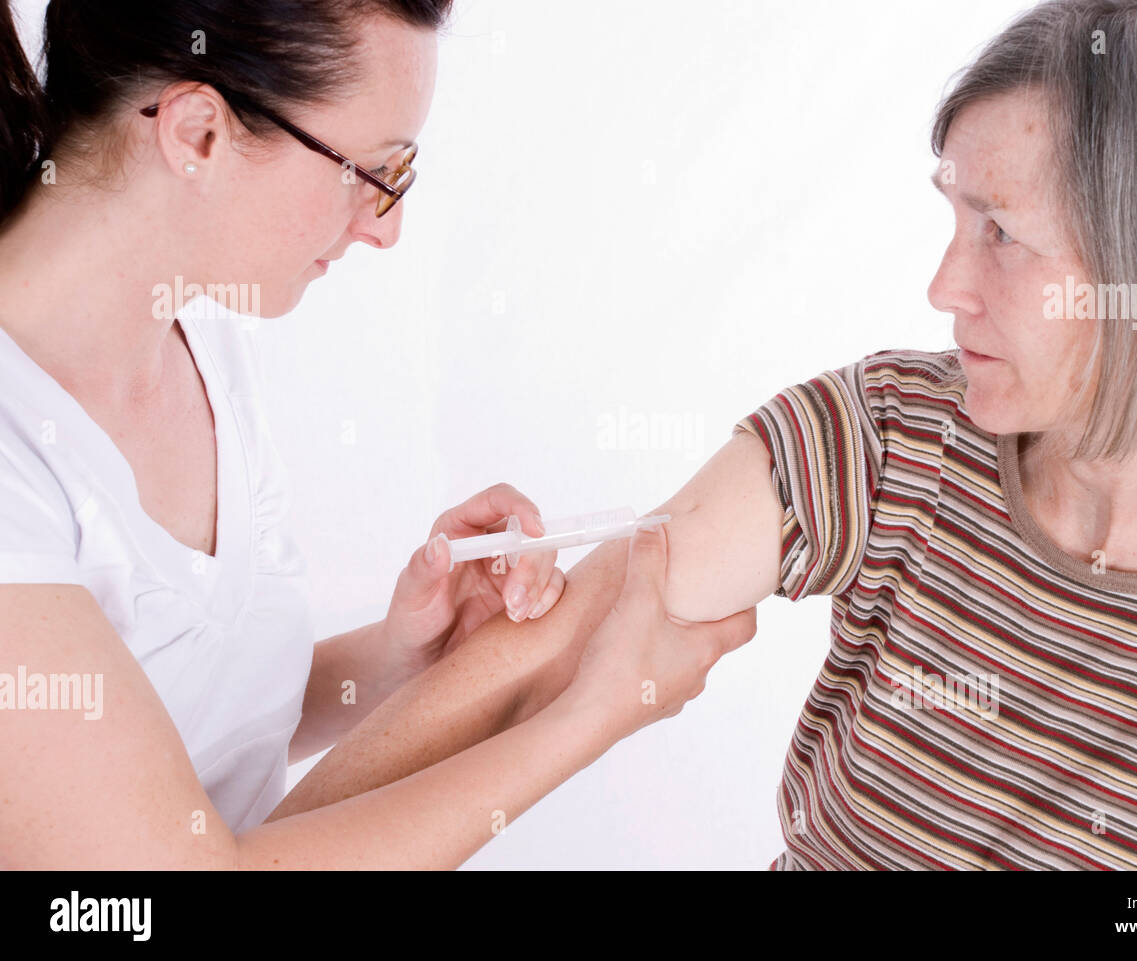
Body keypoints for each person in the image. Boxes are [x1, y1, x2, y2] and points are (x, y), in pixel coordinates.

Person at [275, 0, 1137, 869]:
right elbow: (543, 661)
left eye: (1002, 234)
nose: (943, 288)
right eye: (953, 220)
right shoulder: (897, 436)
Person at [0, 0, 756, 869]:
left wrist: (396, 657)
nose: (385, 226)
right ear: (199, 133)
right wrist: (593, 715)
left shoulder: (199, 340)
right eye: (371, 170)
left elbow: (172, 726)